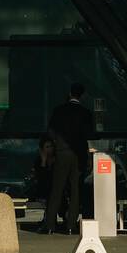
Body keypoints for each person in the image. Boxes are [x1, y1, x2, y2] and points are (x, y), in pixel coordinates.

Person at [37, 82, 93, 235]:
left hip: (62, 153)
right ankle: (70, 225)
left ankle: (50, 224)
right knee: (75, 190)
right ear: (82, 96)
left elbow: (51, 131)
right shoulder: (86, 113)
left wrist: (57, 144)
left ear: (69, 93)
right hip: (78, 154)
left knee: (57, 188)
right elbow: (89, 134)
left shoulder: (59, 111)